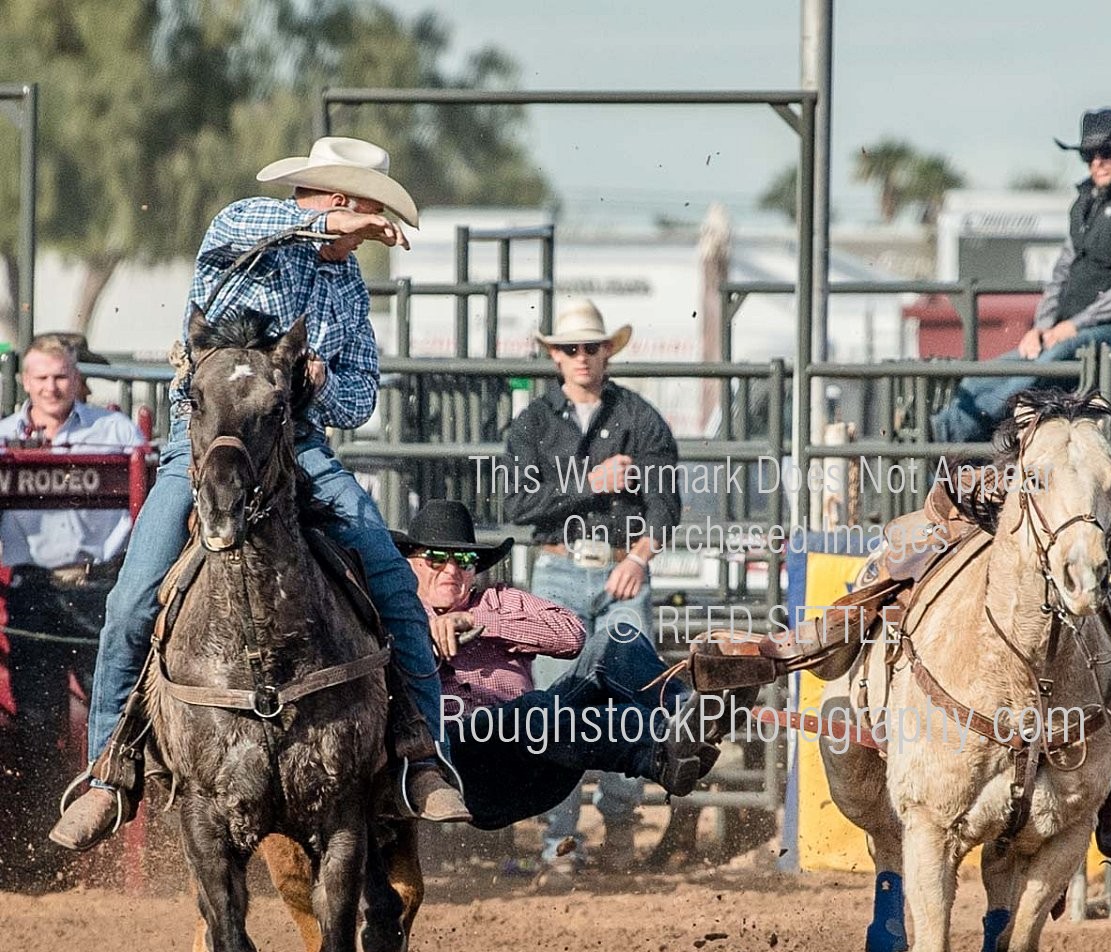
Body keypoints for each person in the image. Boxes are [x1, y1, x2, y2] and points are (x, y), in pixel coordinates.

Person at [49, 136, 468, 853]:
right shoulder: (241, 232)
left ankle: (418, 756)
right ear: (339, 203)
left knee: (393, 580)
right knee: (131, 598)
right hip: (207, 446)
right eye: (365, 218)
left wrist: (319, 382)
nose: (364, 241)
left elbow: (361, 391)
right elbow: (262, 226)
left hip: (298, 450)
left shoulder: (346, 286)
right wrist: (347, 228)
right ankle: (108, 772)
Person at [398, 501, 715, 856]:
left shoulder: (497, 601)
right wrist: (426, 635)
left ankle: (688, 714)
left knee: (615, 640)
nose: (452, 570)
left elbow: (570, 635)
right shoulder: (398, 619)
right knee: (531, 710)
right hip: (469, 770)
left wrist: (479, 624)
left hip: (541, 757)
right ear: (411, 562)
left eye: (465, 560)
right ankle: (656, 748)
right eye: (438, 558)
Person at [504, 300, 682, 875]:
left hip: (618, 569)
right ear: (555, 355)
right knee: (559, 705)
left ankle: (619, 832)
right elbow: (517, 505)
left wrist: (639, 556)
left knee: (627, 701)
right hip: (557, 567)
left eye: (591, 347)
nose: (582, 358)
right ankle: (561, 843)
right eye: (571, 349)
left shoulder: (641, 417)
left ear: (607, 352)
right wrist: (588, 482)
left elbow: (666, 503)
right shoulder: (532, 423)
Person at [931, 107, 1111, 443]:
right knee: (986, 374)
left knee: (1050, 361)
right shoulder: (1084, 205)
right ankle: (952, 432)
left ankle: (950, 432)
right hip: (1074, 328)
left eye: (1105, 152)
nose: (1096, 162)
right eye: (1088, 155)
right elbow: (1062, 270)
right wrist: (1043, 326)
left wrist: (1074, 325)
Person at [0, 336, 144, 863]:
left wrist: (100, 559)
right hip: (31, 590)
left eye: (60, 376)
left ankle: (117, 849)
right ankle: (47, 849)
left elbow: (137, 514)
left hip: (98, 588)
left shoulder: (115, 432)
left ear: (76, 377)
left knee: (115, 714)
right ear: (25, 382)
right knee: (38, 723)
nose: (51, 387)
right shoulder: (4, 439)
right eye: (41, 378)